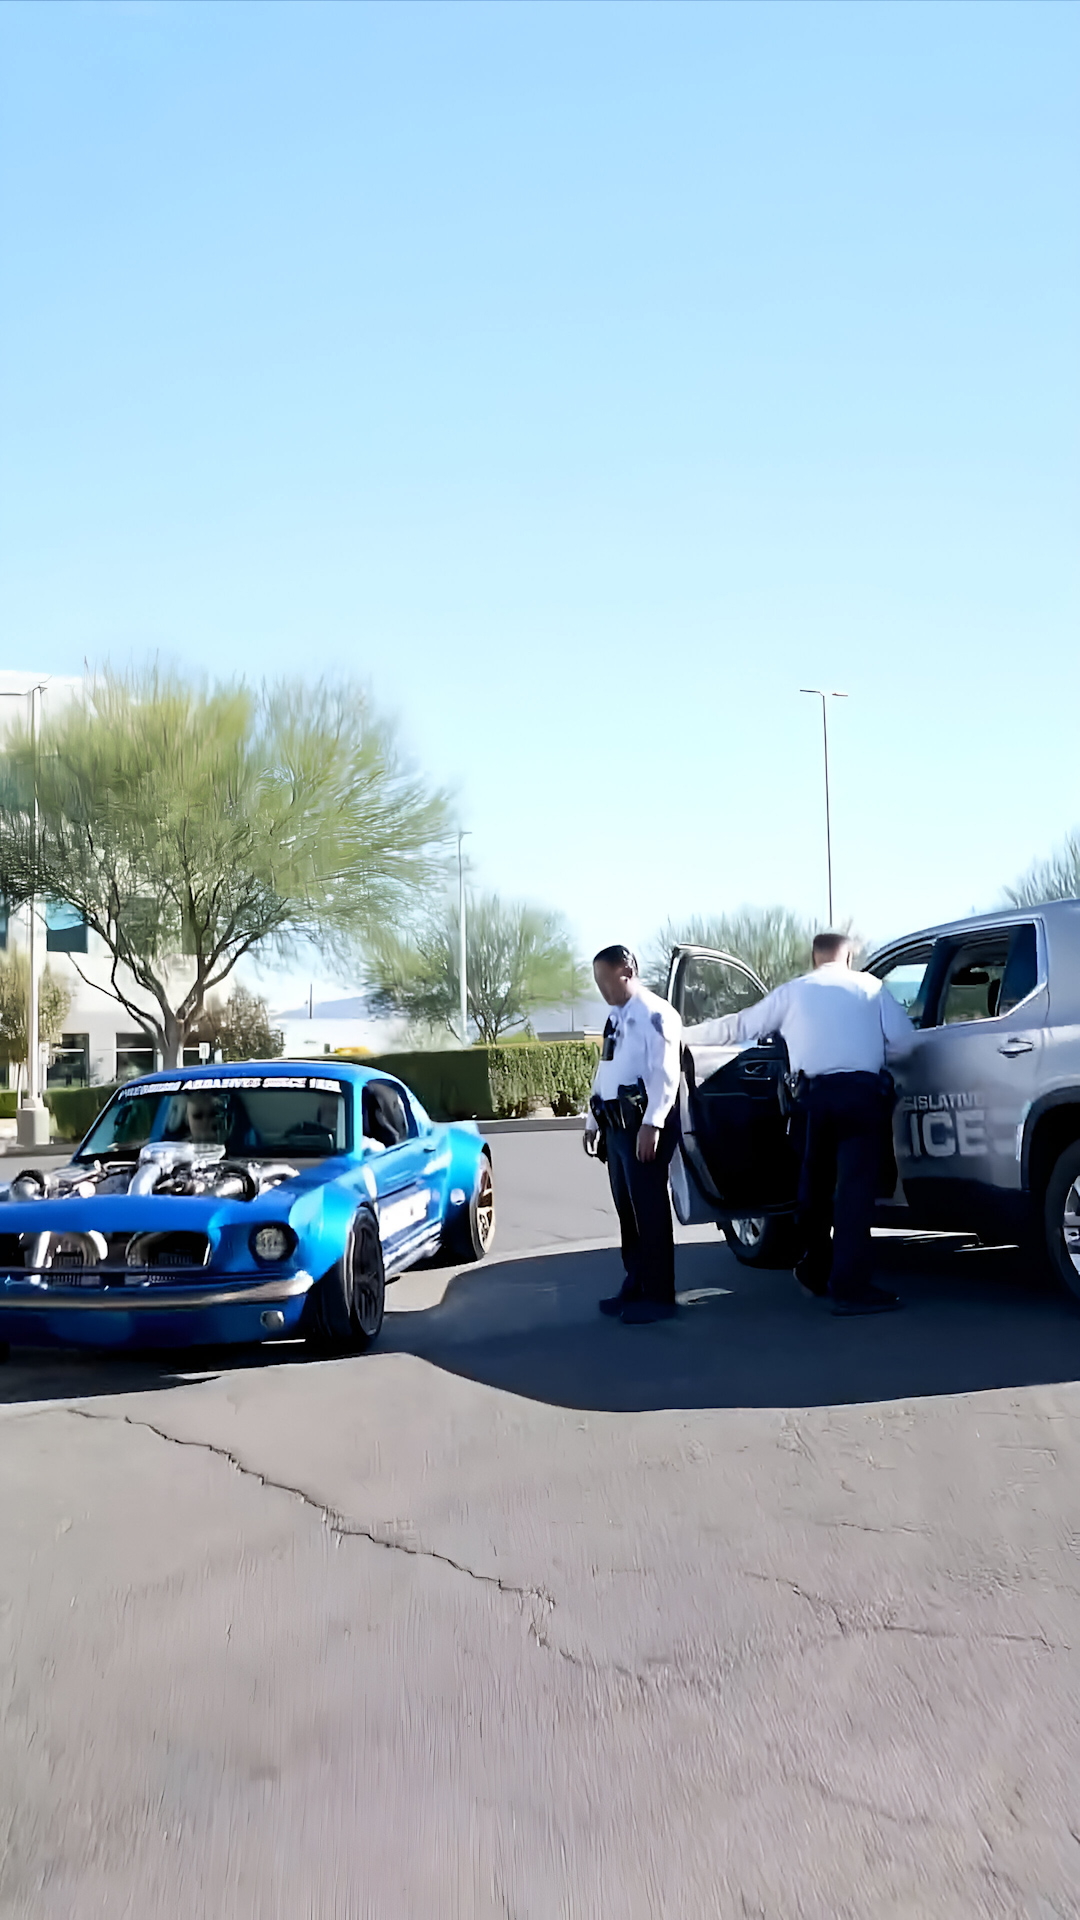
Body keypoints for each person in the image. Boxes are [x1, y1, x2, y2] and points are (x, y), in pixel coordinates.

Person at [684, 932, 916, 1315]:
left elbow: (738, 1027)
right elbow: (906, 1042)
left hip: (813, 1098)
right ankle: (850, 1288)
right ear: (849, 956)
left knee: (813, 1190)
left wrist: (681, 1035)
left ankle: (813, 1269)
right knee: (853, 1194)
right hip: (861, 1096)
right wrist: (871, 1051)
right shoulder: (871, 988)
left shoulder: (792, 992)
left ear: (814, 958)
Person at [584, 944, 683, 1324]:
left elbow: (665, 1073)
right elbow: (606, 1070)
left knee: (650, 1211)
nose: (602, 989)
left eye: (605, 979)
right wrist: (592, 1121)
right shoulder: (616, 1017)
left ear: (626, 971)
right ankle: (636, 1282)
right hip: (617, 1126)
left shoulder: (655, 1014)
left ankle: (659, 1295)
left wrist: (653, 1123)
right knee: (628, 1212)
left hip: (643, 1125)